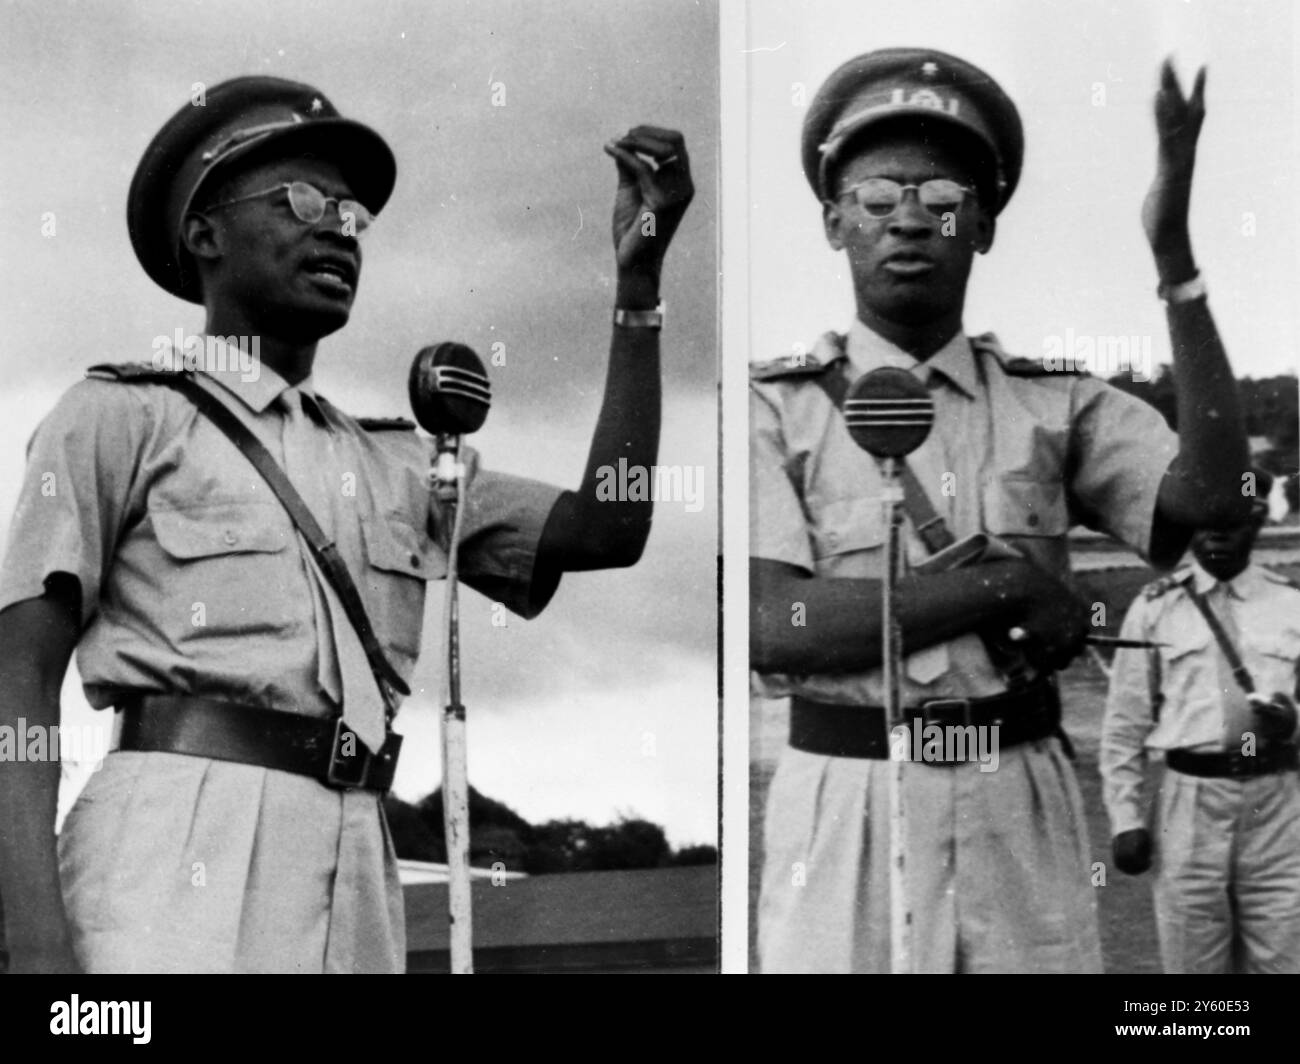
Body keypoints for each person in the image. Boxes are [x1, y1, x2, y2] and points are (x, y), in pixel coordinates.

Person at [0, 75, 693, 974]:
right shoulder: (118, 417)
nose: (337, 225)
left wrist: (638, 290)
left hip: (356, 865)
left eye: (351, 212)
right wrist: (33, 939)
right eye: (299, 200)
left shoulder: (401, 462)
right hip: (170, 862)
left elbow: (610, 526)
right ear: (204, 234)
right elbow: (17, 680)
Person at [749, 48, 1251, 973]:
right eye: (876, 196)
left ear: (980, 226)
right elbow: (777, 626)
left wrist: (1176, 263)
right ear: (833, 222)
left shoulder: (1051, 403)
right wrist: (1005, 589)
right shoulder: (776, 407)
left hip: (1016, 787)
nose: (910, 219)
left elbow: (1217, 497)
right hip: (849, 795)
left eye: (943, 196)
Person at [1101, 468, 1300, 974]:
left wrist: (1292, 720)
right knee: (1194, 968)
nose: (1214, 535)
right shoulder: (1155, 609)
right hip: (1189, 802)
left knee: (1284, 955)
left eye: (1229, 522)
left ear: (1256, 522)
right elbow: (1124, 724)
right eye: (1203, 523)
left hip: (1278, 805)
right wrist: (1125, 818)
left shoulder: (1290, 605)